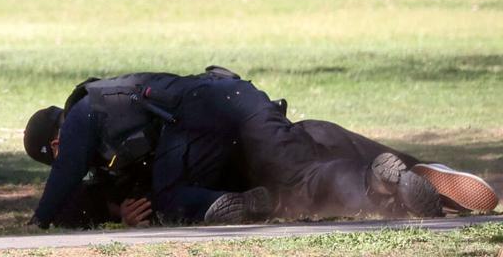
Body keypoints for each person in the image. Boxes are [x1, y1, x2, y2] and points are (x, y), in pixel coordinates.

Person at [25, 67, 498, 228]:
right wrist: (117, 210)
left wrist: (36, 223)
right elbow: (90, 199)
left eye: (57, 150)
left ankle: (385, 180)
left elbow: (63, 189)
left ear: (59, 137)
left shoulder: (90, 110)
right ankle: (395, 179)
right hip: (243, 109)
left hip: (211, 124)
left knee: (291, 180)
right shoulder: (123, 136)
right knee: (309, 161)